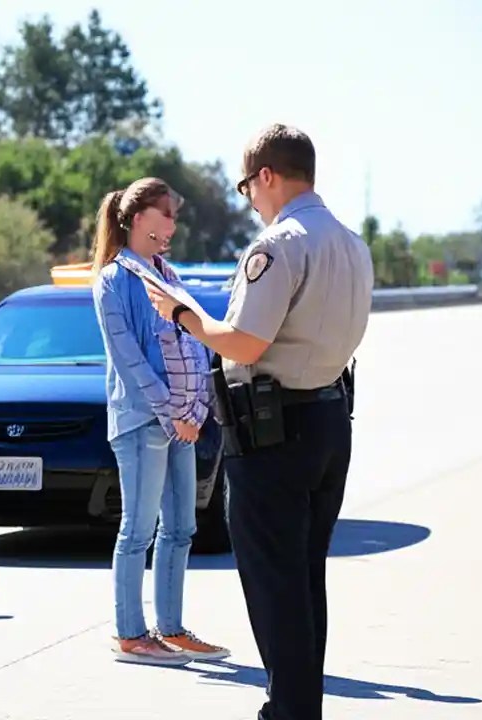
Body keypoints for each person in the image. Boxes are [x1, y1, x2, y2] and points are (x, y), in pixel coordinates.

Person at [143, 124, 373, 719]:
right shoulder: (352, 241)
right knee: (303, 579)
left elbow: (244, 343)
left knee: (275, 584)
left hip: (275, 434)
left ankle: (288, 711)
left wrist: (183, 315)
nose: (249, 199)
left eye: (247, 186)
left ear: (266, 176)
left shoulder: (279, 245)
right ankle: (303, 705)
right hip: (327, 419)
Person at [90, 176, 231, 667]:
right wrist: (173, 412)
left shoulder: (167, 274)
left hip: (182, 422)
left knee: (182, 528)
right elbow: (129, 360)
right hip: (144, 421)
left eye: (174, 216)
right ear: (138, 216)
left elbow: (191, 344)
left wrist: (195, 411)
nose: (172, 225)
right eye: (166, 214)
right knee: (138, 529)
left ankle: (170, 628)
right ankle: (131, 633)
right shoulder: (113, 280)